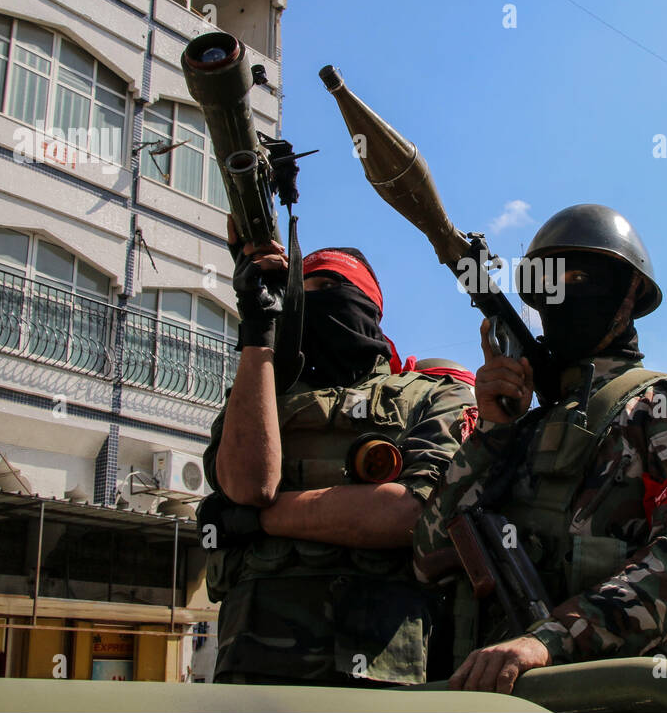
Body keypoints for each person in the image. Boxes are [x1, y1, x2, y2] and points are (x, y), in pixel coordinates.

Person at [412, 204, 667, 694]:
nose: (564, 296)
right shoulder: (520, 429)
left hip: (617, 694)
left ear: (630, 293)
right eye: (552, 283)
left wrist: (551, 640)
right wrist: (489, 434)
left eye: (583, 278)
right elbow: (429, 558)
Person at [201, 220, 476, 685]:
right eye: (302, 293)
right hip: (255, 665)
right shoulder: (260, 397)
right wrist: (258, 331)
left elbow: (411, 513)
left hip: (383, 664)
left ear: (368, 305)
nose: (314, 300)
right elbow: (249, 484)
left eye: (331, 287)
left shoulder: (430, 396)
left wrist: (258, 520)